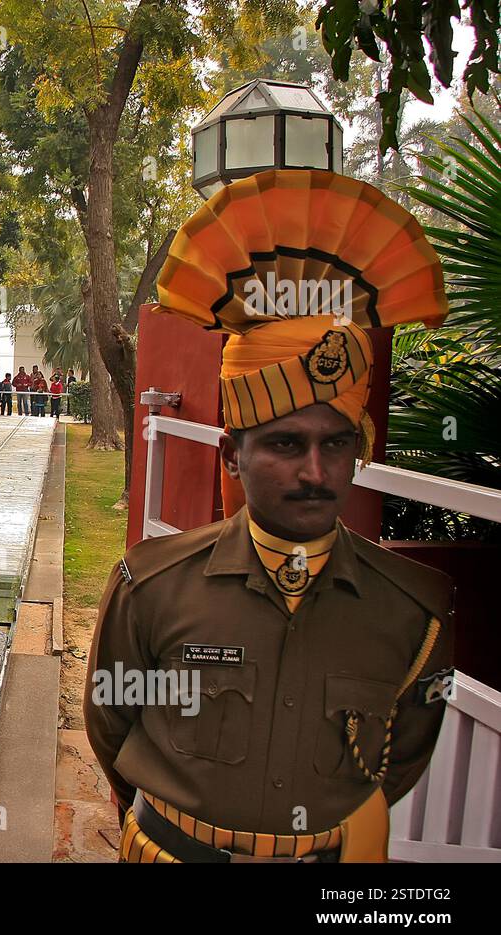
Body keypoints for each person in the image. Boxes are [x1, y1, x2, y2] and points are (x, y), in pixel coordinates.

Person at [85, 315, 455, 864]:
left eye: (336, 445)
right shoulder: (153, 584)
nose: (315, 472)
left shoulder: (412, 609)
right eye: (286, 443)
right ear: (232, 454)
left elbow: (401, 754)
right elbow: (111, 721)